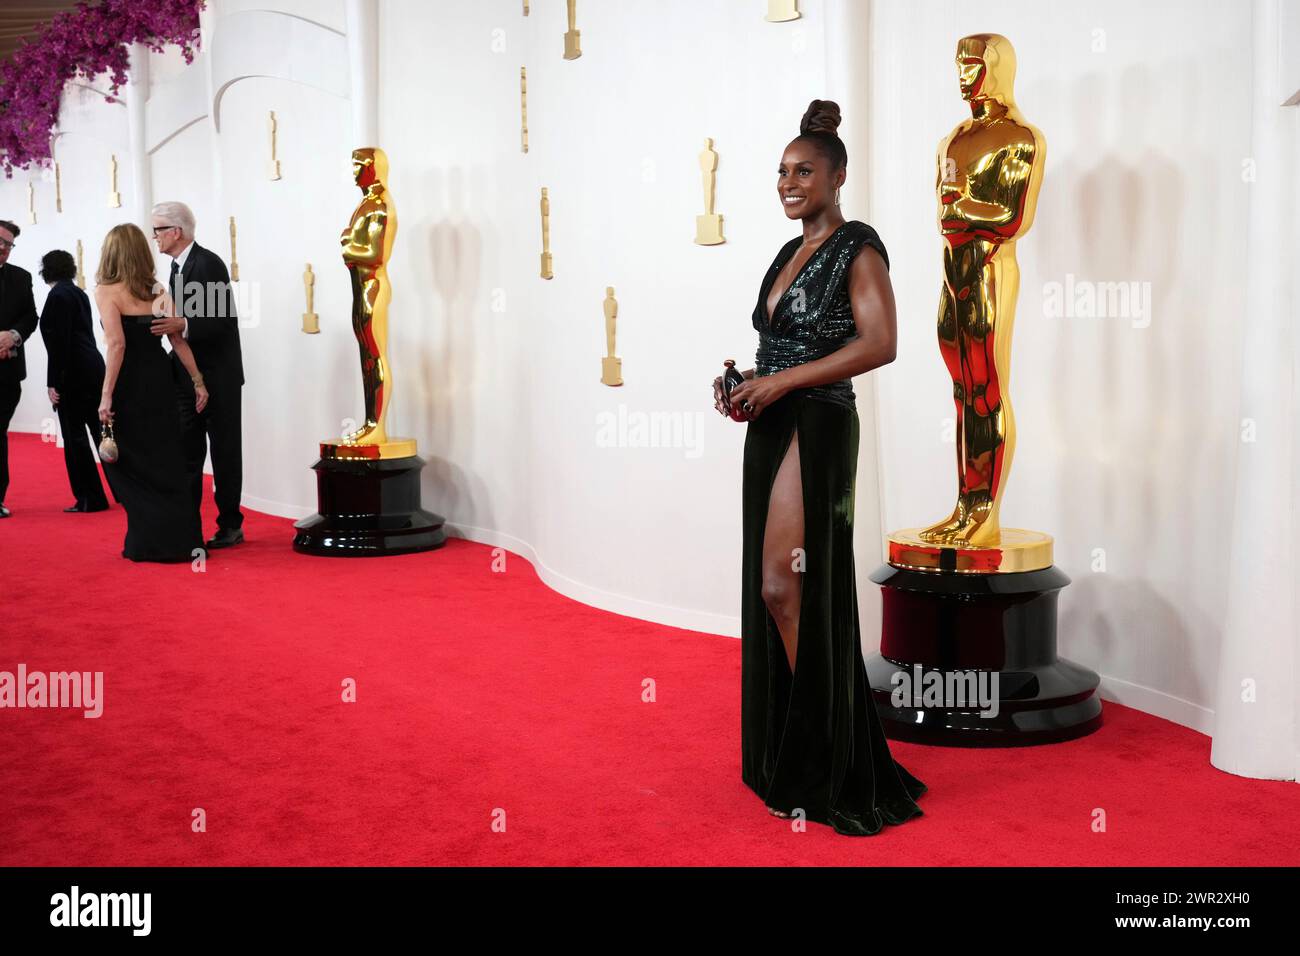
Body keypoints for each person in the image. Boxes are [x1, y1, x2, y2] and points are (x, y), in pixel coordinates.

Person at [717, 99, 927, 835]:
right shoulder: (785, 254)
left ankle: (827, 755)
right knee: (777, 586)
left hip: (818, 423)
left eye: (804, 170)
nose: (789, 182)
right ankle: (800, 743)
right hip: (774, 424)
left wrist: (781, 383)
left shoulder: (858, 246)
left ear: (838, 177)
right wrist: (746, 384)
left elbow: (882, 343)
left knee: (786, 584)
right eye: (781, 171)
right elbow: (782, 347)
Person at [95, 223, 207, 562]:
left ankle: (148, 540)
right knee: (165, 459)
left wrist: (106, 396)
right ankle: (182, 542)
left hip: (129, 383)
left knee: (126, 462)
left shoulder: (106, 290)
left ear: (110, 252)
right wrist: (198, 381)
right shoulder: (156, 289)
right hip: (161, 380)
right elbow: (177, 339)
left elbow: (116, 344)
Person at [149, 201, 245, 549]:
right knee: (188, 452)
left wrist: (183, 324)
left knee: (223, 453)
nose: (154, 236)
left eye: (158, 229)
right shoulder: (177, 267)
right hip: (188, 378)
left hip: (218, 377)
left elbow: (223, 322)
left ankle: (230, 524)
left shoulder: (207, 263)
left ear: (176, 232)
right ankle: (187, 526)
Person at [38, 250, 110, 512]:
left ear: (46, 270)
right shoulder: (78, 292)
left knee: (75, 437)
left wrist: (53, 381)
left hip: (73, 373)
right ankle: (123, 491)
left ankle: (90, 497)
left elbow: (59, 344)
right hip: (92, 368)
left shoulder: (57, 296)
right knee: (102, 433)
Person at [0, 219, 39, 518]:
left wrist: (12, 336)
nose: (2, 248)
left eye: (8, 244)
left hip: (7, 370)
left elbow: (30, 317)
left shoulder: (21, 277)